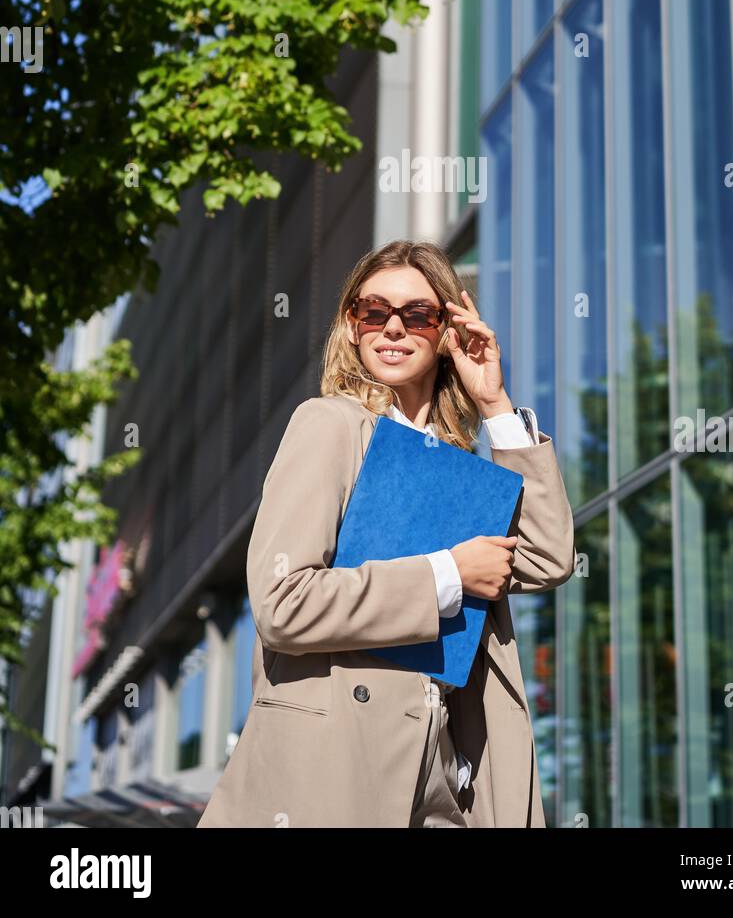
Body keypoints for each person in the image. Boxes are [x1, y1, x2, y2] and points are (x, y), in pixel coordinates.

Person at [197, 239, 576, 829]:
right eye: (373, 312)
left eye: (418, 315)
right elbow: (282, 604)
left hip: (442, 784)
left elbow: (549, 559)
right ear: (351, 327)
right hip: (334, 776)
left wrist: (496, 405)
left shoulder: (457, 465)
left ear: (447, 330)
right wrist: (446, 575)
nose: (392, 329)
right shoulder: (329, 426)